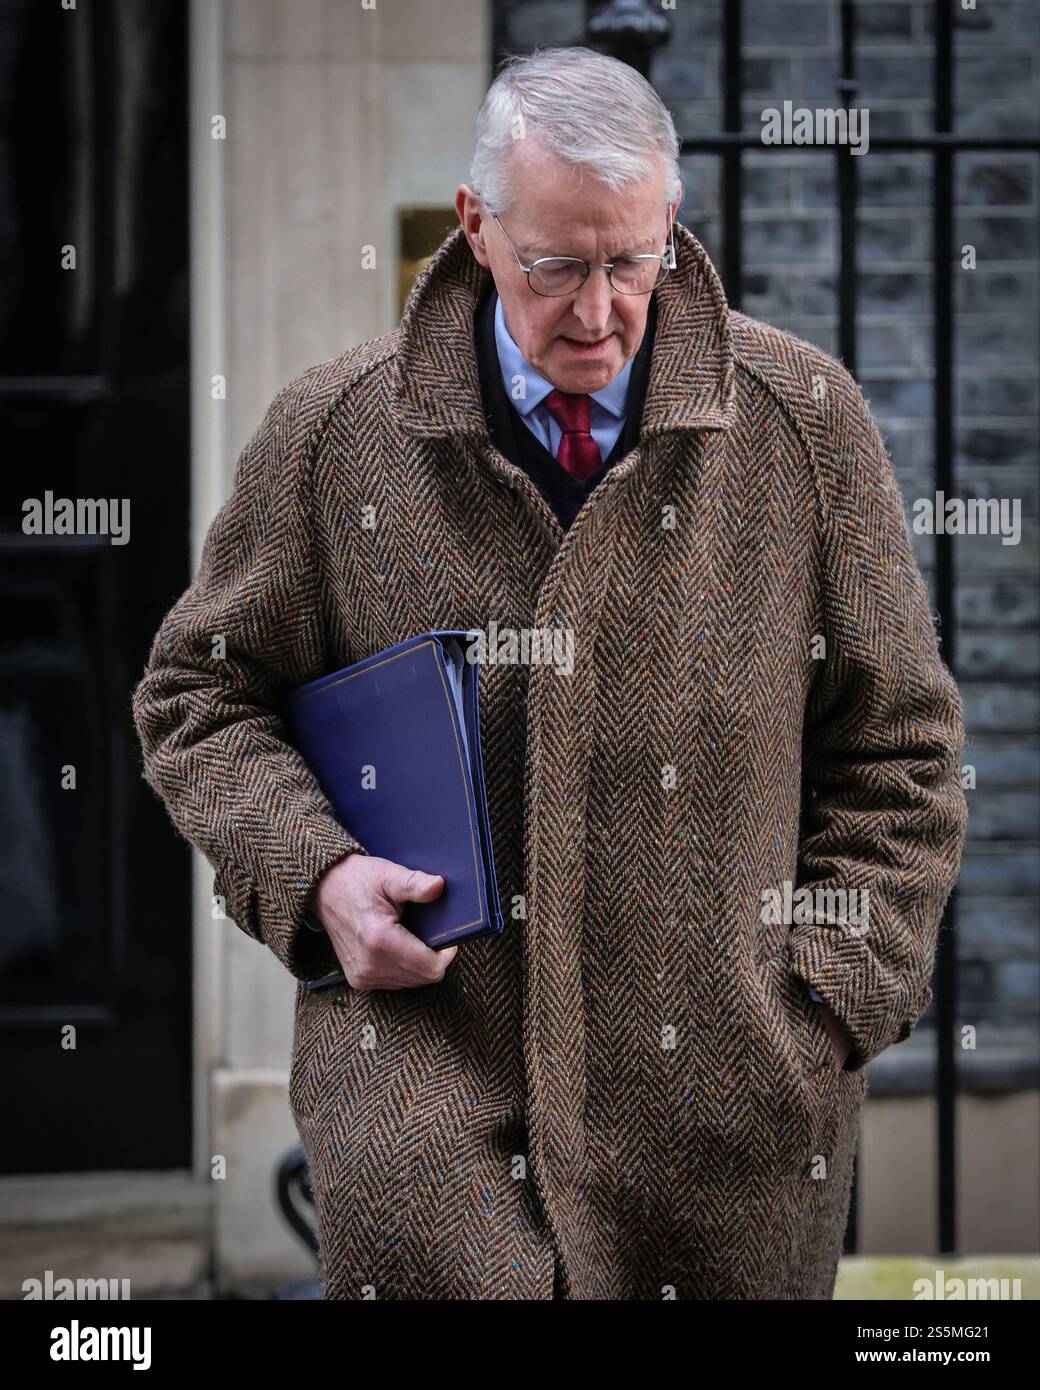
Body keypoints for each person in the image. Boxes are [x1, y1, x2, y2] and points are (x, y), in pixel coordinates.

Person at [131, 46, 969, 1300]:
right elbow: (198, 696)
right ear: (476, 227)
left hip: (725, 1130)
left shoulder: (804, 425)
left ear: (668, 223)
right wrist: (319, 879)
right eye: (555, 265)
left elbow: (900, 751)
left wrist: (827, 1000)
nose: (595, 311)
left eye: (628, 261)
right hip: (424, 1107)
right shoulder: (330, 433)